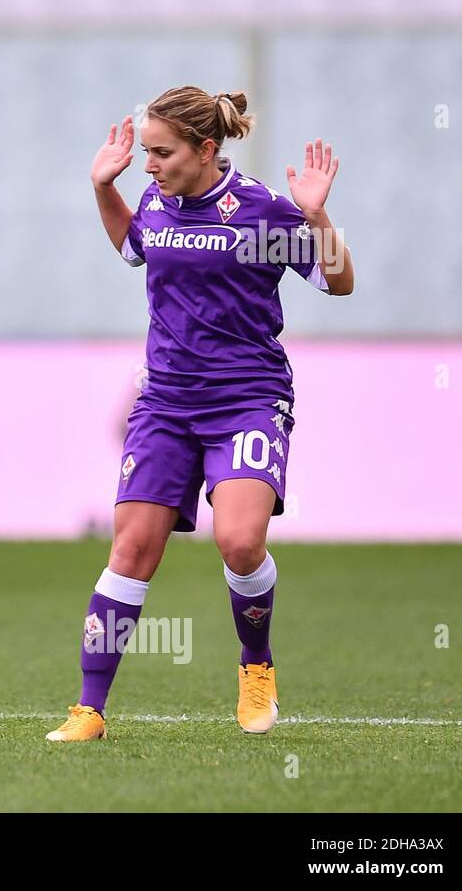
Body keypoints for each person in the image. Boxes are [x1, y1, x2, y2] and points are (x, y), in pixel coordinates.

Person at [48, 86, 354, 742]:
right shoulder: (155, 201)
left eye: (162, 153)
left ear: (206, 149)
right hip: (164, 402)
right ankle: (89, 710)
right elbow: (134, 248)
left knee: (240, 543)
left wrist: (316, 217)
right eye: (146, 154)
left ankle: (256, 665)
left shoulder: (265, 212)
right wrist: (104, 189)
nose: (149, 166)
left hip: (246, 399)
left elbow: (338, 281)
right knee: (130, 549)